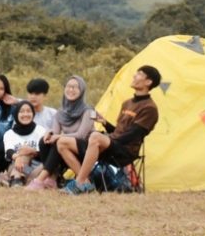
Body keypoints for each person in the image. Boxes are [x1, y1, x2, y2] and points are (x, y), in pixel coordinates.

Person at [61, 65, 162, 195]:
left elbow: (134, 135)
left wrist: (108, 139)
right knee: (63, 142)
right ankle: (86, 182)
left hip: (126, 151)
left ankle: (78, 183)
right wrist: (104, 123)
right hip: (113, 144)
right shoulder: (127, 103)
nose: (134, 76)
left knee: (96, 137)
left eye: (139, 74)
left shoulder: (149, 108)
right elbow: (119, 130)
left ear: (148, 82)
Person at [25, 75, 96, 190]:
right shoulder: (60, 112)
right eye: (68, 86)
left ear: (81, 90)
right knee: (45, 141)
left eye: (75, 87)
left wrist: (58, 136)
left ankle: (40, 180)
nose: (71, 90)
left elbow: (81, 135)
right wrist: (50, 133)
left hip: (86, 148)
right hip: (65, 147)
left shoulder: (89, 111)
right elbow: (56, 133)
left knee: (60, 141)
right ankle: (52, 179)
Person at [1, 99, 46, 187]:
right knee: (23, 156)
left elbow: (45, 154)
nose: (25, 114)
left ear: (33, 114)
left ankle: (14, 180)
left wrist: (32, 151)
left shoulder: (41, 131)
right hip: (17, 167)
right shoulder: (9, 134)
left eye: (28, 111)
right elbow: (9, 151)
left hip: (37, 169)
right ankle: (17, 179)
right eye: (21, 112)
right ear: (16, 114)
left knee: (27, 154)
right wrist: (18, 157)